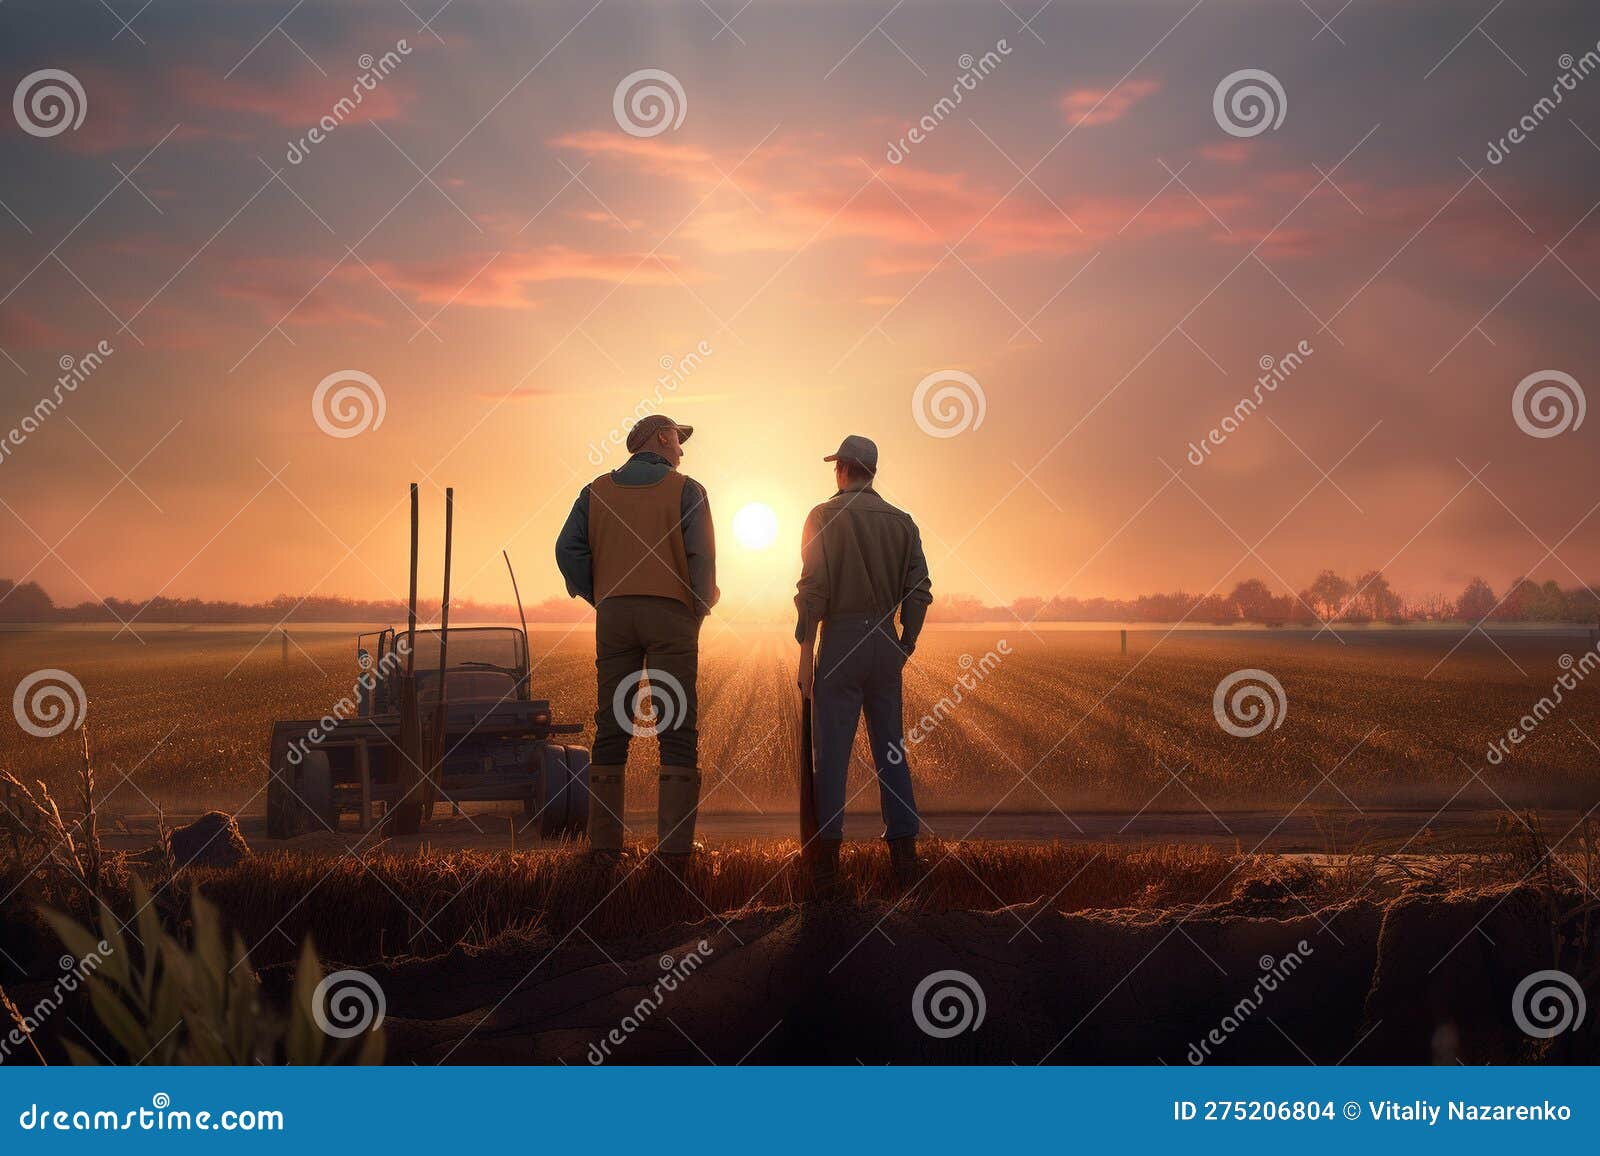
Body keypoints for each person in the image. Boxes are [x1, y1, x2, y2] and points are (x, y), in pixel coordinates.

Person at [555, 414, 718, 867]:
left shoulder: (595, 492)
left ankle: (605, 847)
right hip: (671, 615)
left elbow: (566, 549)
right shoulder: (687, 490)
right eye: (678, 440)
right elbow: (702, 559)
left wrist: (602, 593)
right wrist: (698, 606)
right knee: (676, 724)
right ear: (662, 437)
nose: (681, 450)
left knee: (611, 723)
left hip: (614, 616)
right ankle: (675, 852)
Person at [795, 434, 932, 895]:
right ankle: (905, 861)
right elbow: (919, 591)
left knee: (831, 756)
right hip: (885, 642)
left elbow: (812, 592)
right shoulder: (903, 523)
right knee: (892, 751)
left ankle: (827, 870)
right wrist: (905, 642)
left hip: (840, 641)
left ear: (842, 469)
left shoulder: (822, 516)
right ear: (871, 472)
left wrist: (805, 656)